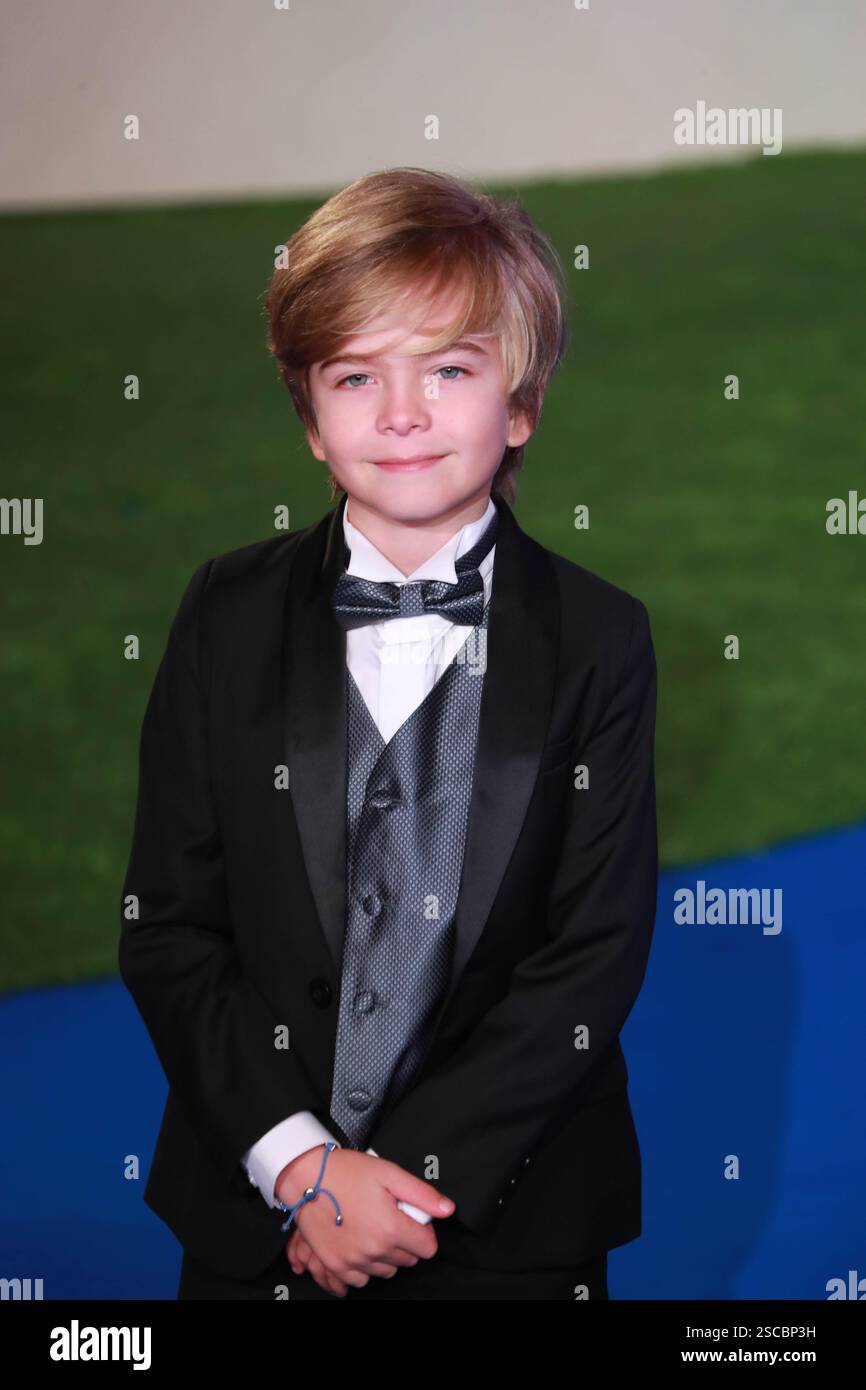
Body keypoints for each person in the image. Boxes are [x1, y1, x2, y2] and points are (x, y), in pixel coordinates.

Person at [119, 166, 658, 1301]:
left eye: (450, 369)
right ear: (310, 418)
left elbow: (588, 954)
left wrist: (397, 1185)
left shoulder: (602, 637)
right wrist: (303, 1167)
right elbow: (167, 924)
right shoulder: (223, 615)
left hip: (507, 1222)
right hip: (261, 1214)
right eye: (355, 375)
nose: (401, 414)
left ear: (519, 404)